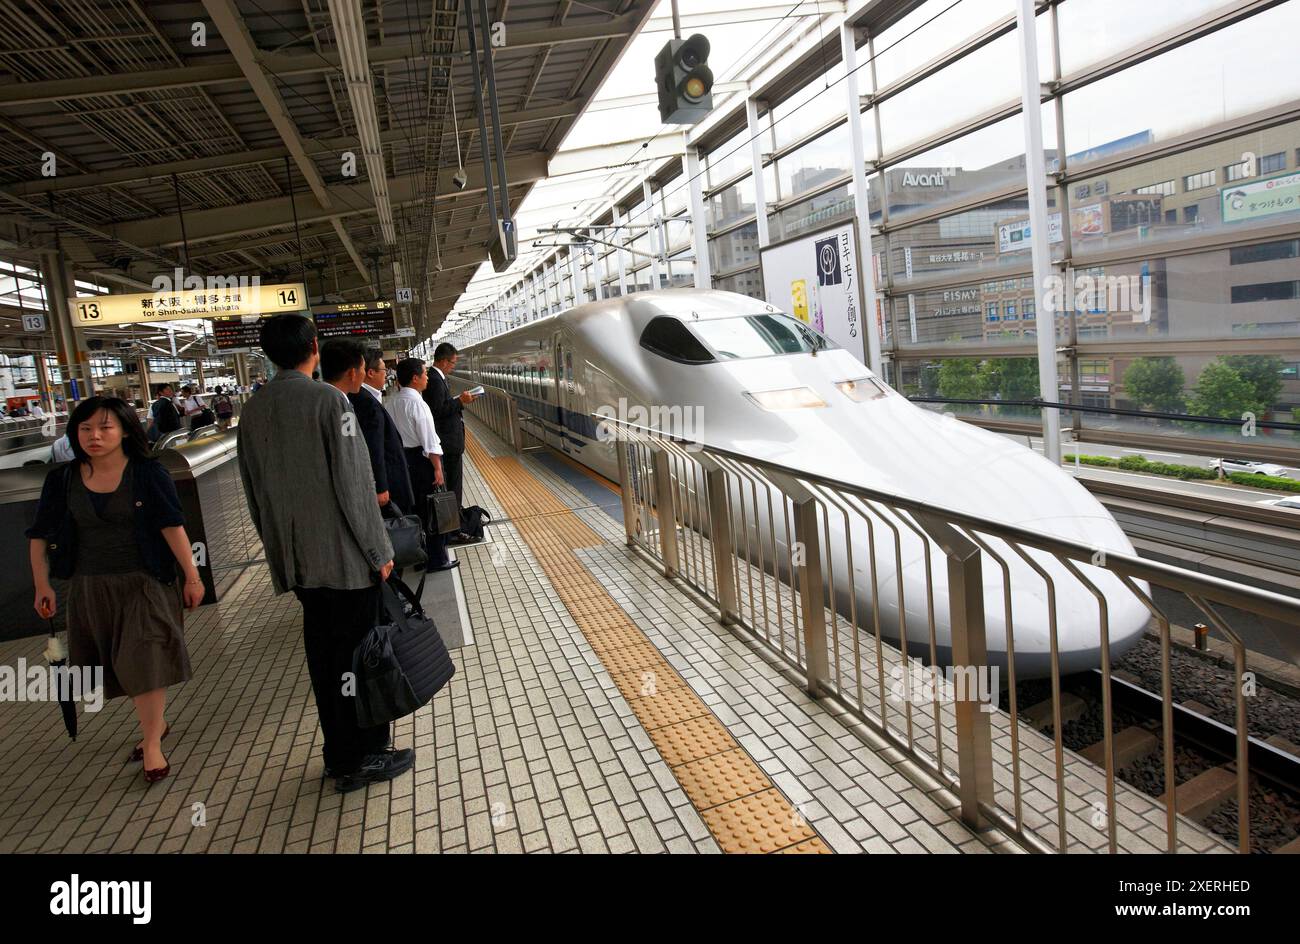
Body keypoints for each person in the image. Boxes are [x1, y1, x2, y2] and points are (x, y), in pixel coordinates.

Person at [236, 315, 412, 793]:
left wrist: (281, 555)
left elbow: (254, 493)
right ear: (314, 346)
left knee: (327, 662)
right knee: (362, 659)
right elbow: (356, 487)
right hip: (347, 564)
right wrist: (380, 553)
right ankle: (365, 756)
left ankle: (339, 754)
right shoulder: (332, 402)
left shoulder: (253, 411)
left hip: (301, 567)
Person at [26, 396, 202, 785]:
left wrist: (192, 577)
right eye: (85, 429)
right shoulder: (63, 480)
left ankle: (152, 743)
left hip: (145, 583)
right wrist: (42, 584)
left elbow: (172, 526)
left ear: (125, 429)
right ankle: (157, 723)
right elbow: (39, 535)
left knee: (143, 659)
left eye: (105, 427)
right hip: (90, 587)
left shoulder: (147, 473)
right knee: (116, 663)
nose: (94, 436)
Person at [387, 358, 456, 573]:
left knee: (415, 510)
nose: (427, 377)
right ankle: (436, 559)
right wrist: (437, 468)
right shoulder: (418, 403)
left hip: (403, 462)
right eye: (425, 373)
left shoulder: (392, 403)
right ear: (415, 378)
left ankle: (419, 556)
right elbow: (430, 441)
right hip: (423, 461)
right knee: (433, 509)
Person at [346, 347, 414, 514]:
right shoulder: (367, 404)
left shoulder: (358, 398)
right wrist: (381, 487)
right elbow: (373, 449)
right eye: (384, 370)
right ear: (370, 372)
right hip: (388, 484)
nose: (387, 374)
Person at [424, 343, 474, 528]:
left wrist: (455, 400)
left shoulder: (437, 377)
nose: (453, 366)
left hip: (449, 442)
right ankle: (453, 528)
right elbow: (438, 410)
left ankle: (454, 524)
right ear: (444, 361)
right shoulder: (436, 379)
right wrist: (460, 401)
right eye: (452, 363)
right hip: (448, 443)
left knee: (454, 487)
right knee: (453, 488)